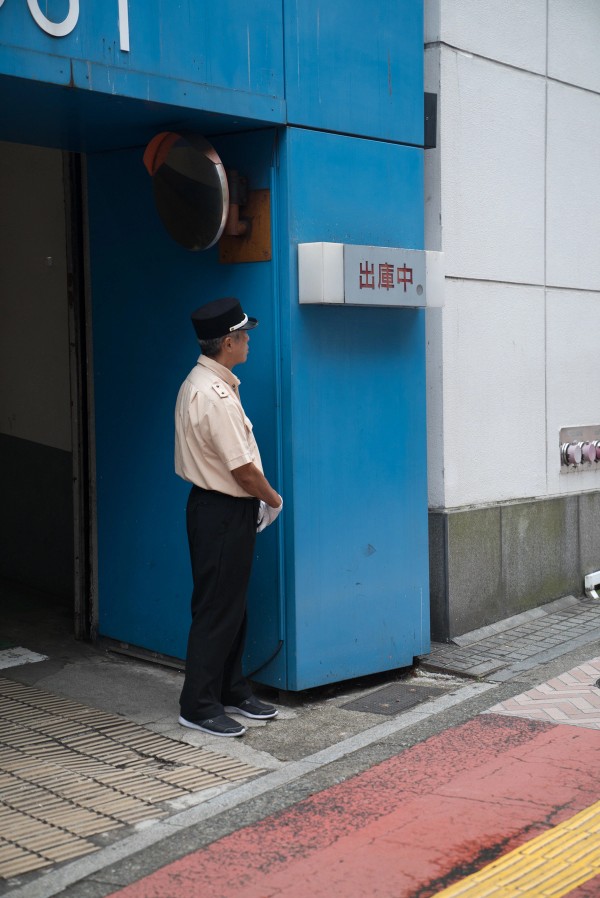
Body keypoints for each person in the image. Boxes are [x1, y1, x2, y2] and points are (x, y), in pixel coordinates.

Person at [174, 296, 283, 737]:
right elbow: (241, 469)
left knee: (231, 604)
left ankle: (230, 689)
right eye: (245, 336)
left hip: (223, 510)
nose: (249, 343)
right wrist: (273, 499)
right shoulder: (213, 394)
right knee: (217, 609)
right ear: (228, 343)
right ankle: (197, 705)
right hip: (220, 510)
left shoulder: (209, 382)